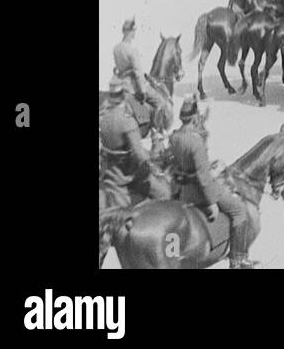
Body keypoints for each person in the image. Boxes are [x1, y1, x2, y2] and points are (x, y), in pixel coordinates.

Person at [167, 97, 255, 269]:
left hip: (183, 189)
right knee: (239, 210)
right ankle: (238, 259)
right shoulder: (196, 141)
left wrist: (210, 165)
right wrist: (212, 202)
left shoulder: (175, 137)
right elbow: (204, 178)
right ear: (194, 117)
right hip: (198, 192)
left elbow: (181, 165)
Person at [99, 77, 171, 202]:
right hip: (127, 176)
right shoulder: (128, 122)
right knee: (164, 193)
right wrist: (153, 167)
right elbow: (139, 156)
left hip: (109, 173)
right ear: (123, 97)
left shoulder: (103, 119)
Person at [113, 17, 158, 106]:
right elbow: (138, 73)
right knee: (159, 101)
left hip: (120, 84)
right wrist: (143, 91)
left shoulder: (116, 48)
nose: (134, 33)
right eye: (134, 31)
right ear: (130, 32)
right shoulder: (132, 49)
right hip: (132, 86)